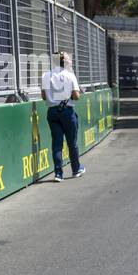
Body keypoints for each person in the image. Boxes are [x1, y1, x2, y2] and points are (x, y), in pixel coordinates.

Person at [41, 52, 85, 182]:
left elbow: (43, 96)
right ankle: (76, 169)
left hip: (52, 112)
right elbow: (76, 96)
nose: (70, 60)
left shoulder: (45, 75)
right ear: (64, 62)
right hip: (67, 112)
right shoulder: (70, 76)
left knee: (56, 144)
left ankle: (58, 173)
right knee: (72, 143)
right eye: (68, 59)